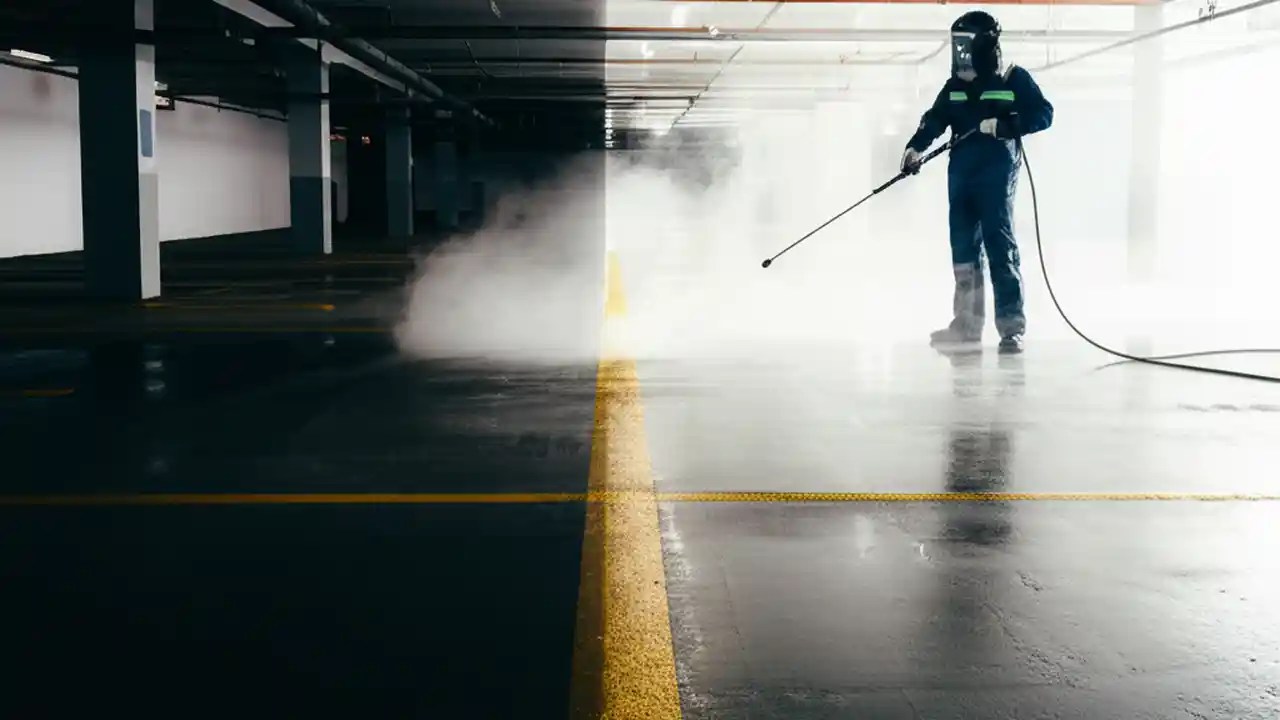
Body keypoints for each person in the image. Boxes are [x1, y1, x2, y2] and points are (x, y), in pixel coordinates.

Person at [901, 11, 1054, 354]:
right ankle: (966, 326)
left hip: (996, 175)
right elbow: (935, 119)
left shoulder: (1013, 79)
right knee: (963, 250)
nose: (960, 52)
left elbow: (1044, 114)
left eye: (966, 44)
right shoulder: (955, 87)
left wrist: (1004, 127)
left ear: (985, 45)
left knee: (1000, 247)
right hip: (961, 176)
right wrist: (915, 147)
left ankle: (1011, 329)